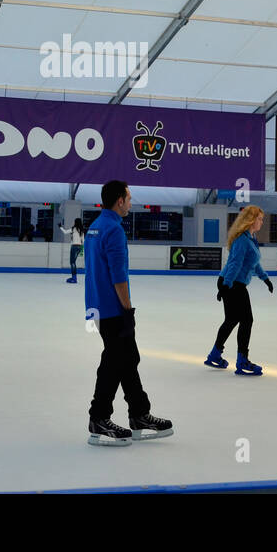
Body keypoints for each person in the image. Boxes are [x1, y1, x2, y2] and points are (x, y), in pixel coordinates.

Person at [86, 180, 172, 446]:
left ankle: (139, 414)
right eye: (129, 198)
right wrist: (127, 310)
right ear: (119, 200)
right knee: (114, 363)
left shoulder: (94, 227)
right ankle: (99, 417)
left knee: (126, 358)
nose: (131, 203)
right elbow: (118, 277)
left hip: (97, 306)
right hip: (113, 309)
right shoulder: (113, 230)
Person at [206, 205, 272, 375]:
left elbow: (254, 262)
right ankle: (242, 360)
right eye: (259, 219)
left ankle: (215, 354)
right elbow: (234, 264)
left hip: (232, 282)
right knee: (246, 320)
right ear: (251, 220)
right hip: (232, 282)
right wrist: (226, 285)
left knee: (232, 320)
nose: (261, 222)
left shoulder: (251, 238)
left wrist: (265, 278)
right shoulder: (242, 240)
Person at [58, 219, 84, 284]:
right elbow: (83, 241)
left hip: (74, 246)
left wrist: (60, 227)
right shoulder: (82, 230)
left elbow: (65, 232)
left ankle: (74, 278)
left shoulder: (73, 229)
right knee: (73, 262)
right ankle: (74, 277)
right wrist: (82, 250)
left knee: (72, 262)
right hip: (79, 247)